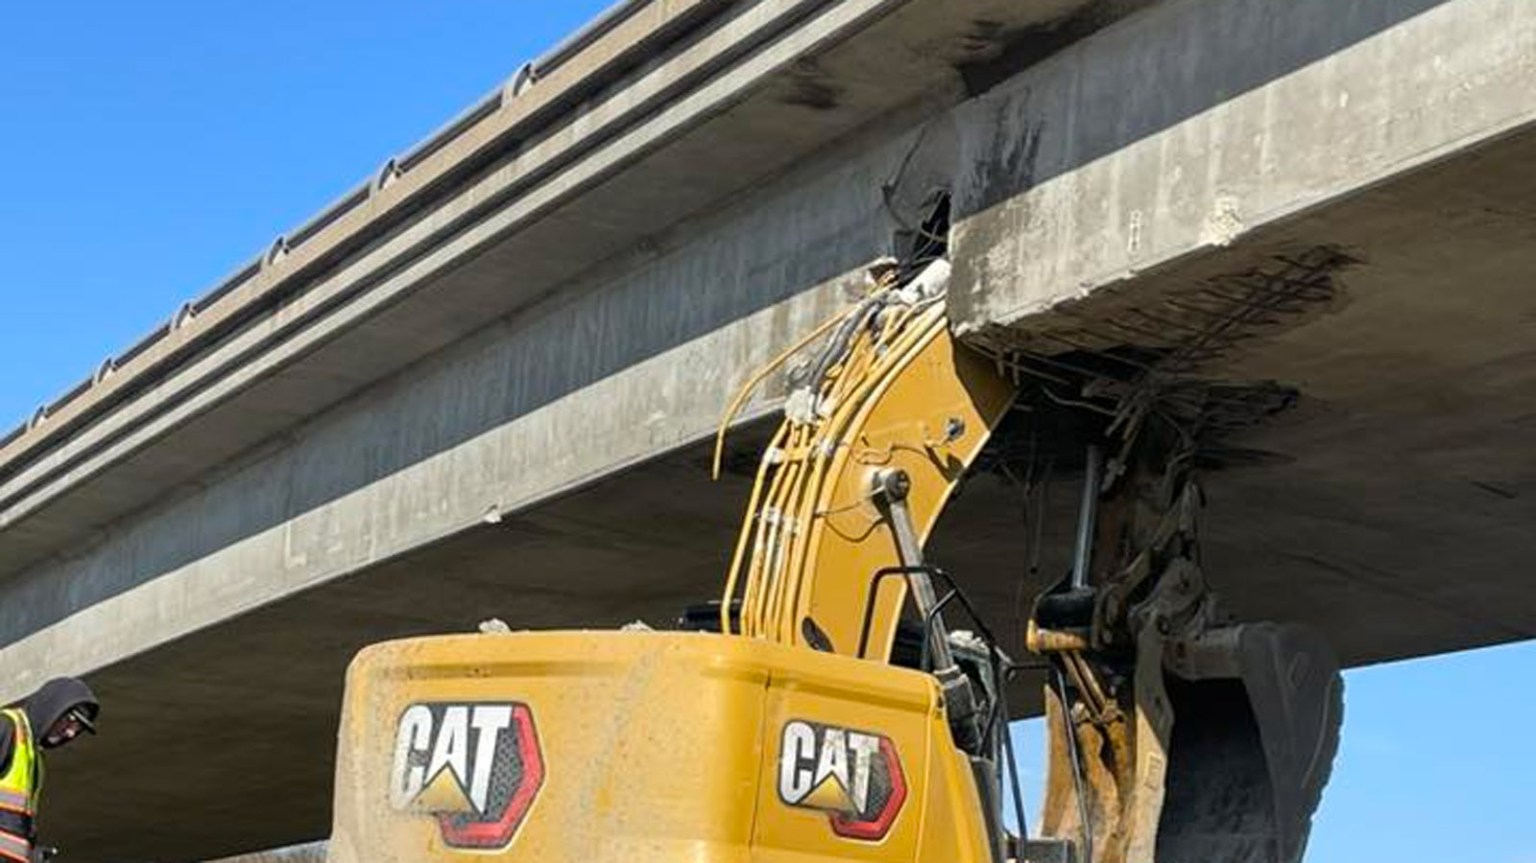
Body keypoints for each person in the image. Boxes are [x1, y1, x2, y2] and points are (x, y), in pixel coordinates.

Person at [0, 679, 99, 863]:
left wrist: (30, 854)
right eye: (70, 721)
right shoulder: (7, 727)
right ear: (52, 706)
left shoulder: (33, 759)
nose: (70, 733)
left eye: (77, 729)